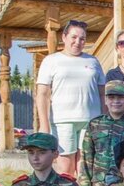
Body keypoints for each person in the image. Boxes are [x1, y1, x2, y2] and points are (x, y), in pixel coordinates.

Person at [35, 19, 107, 176]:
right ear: (64, 37)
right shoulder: (51, 61)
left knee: (85, 168)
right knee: (65, 168)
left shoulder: (93, 61)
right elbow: (43, 94)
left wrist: (105, 120)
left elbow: (102, 94)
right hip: (63, 121)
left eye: (82, 39)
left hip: (90, 120)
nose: (78, 42)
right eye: (74, 37)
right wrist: (44, 124)